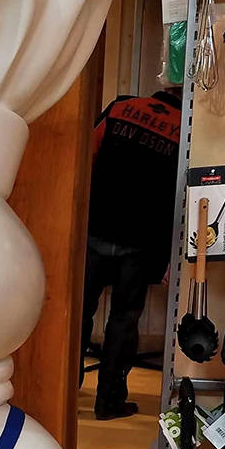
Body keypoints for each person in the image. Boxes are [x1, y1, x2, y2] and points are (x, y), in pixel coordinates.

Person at [81, 86, 181, 420]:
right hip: (140, 242)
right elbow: (178, 196)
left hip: (96, 228)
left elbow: (87, 155)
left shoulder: (120, 108)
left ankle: (65, 386)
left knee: (80, 311)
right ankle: (108, 402)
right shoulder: (183, 127)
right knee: (123, 321)